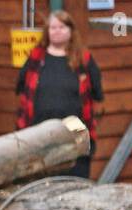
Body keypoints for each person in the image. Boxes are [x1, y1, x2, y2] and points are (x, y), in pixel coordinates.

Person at [15, 10, 103, 179]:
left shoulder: (84, 59)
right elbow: (20, 87)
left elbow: (98, 93)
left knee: (75, 184)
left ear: (71, 31)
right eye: (53, 27)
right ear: (47, 32)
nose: (57, 31)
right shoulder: (35, 57)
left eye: (62, 27)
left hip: (75, 133)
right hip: (38, 135)